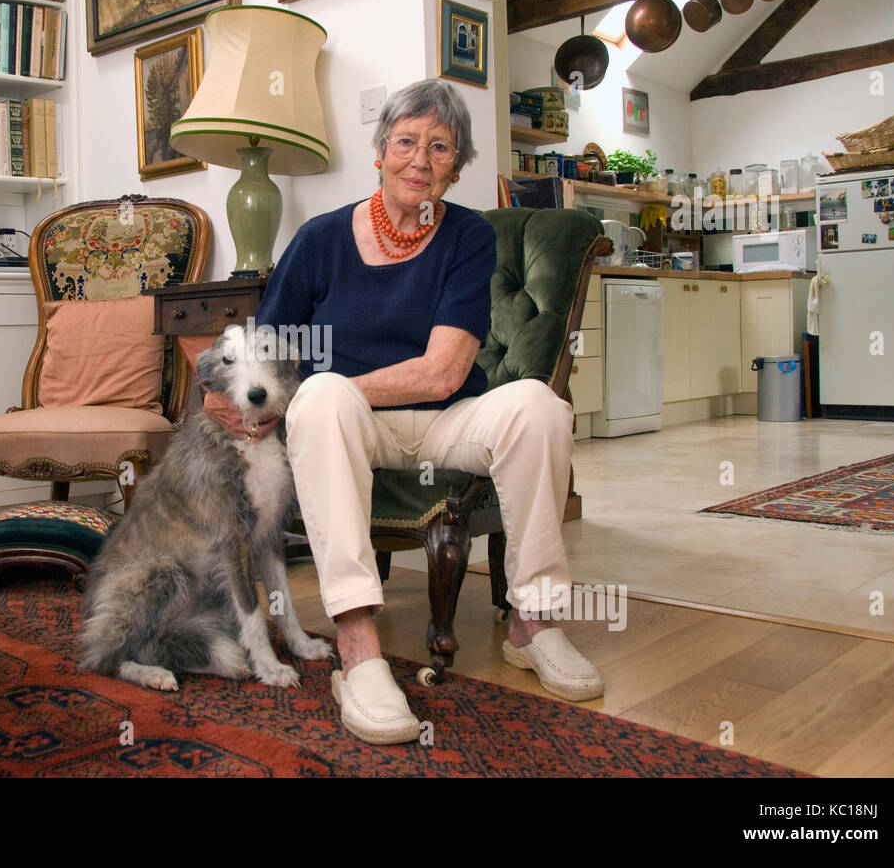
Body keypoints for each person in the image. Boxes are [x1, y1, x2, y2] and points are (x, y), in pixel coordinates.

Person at [204, 78, 603, 745]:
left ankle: (533, 621)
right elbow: (266, 346)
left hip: (449, 419)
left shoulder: (469, 237)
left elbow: (445, 370)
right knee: (323, 395)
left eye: (440, 146)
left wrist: (325, 385)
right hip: (354, 429)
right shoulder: (320, 239)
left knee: (539, 404)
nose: (420, 158)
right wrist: (230, 393)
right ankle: (357, 647)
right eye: (407, 141)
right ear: (381, 152)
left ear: (456, 163)